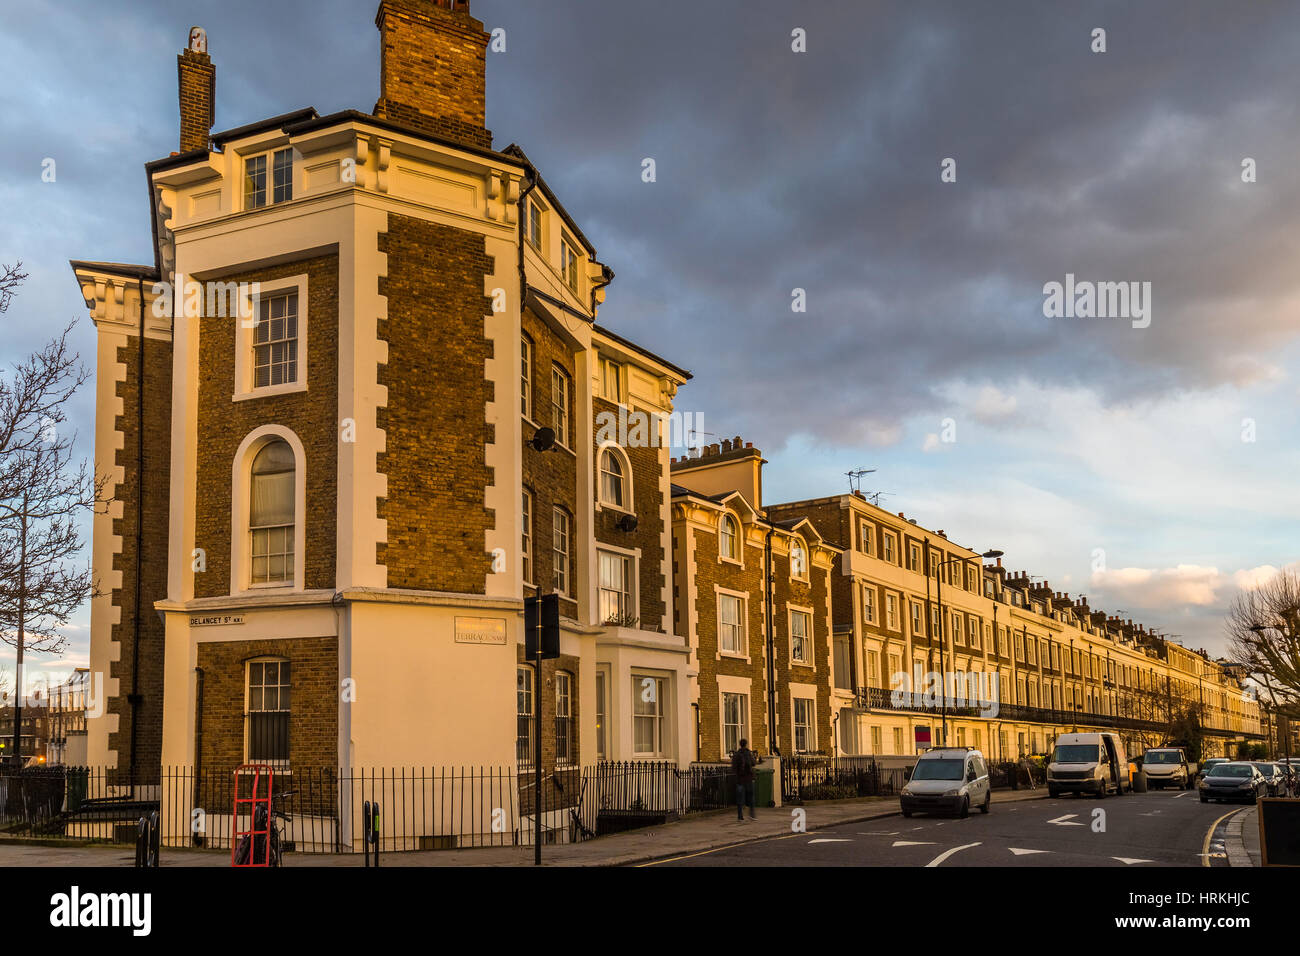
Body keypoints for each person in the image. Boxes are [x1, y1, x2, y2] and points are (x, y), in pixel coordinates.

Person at [732, 739, 759, 821]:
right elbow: (754, 763)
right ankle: (752, 815)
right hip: (749, 779)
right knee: (751, 797)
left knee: (739, 798)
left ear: (740, 744)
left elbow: (733, 767)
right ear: (746, 744)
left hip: (740, 779)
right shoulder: (748, 753)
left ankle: (740, 816)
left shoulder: (736, 754)